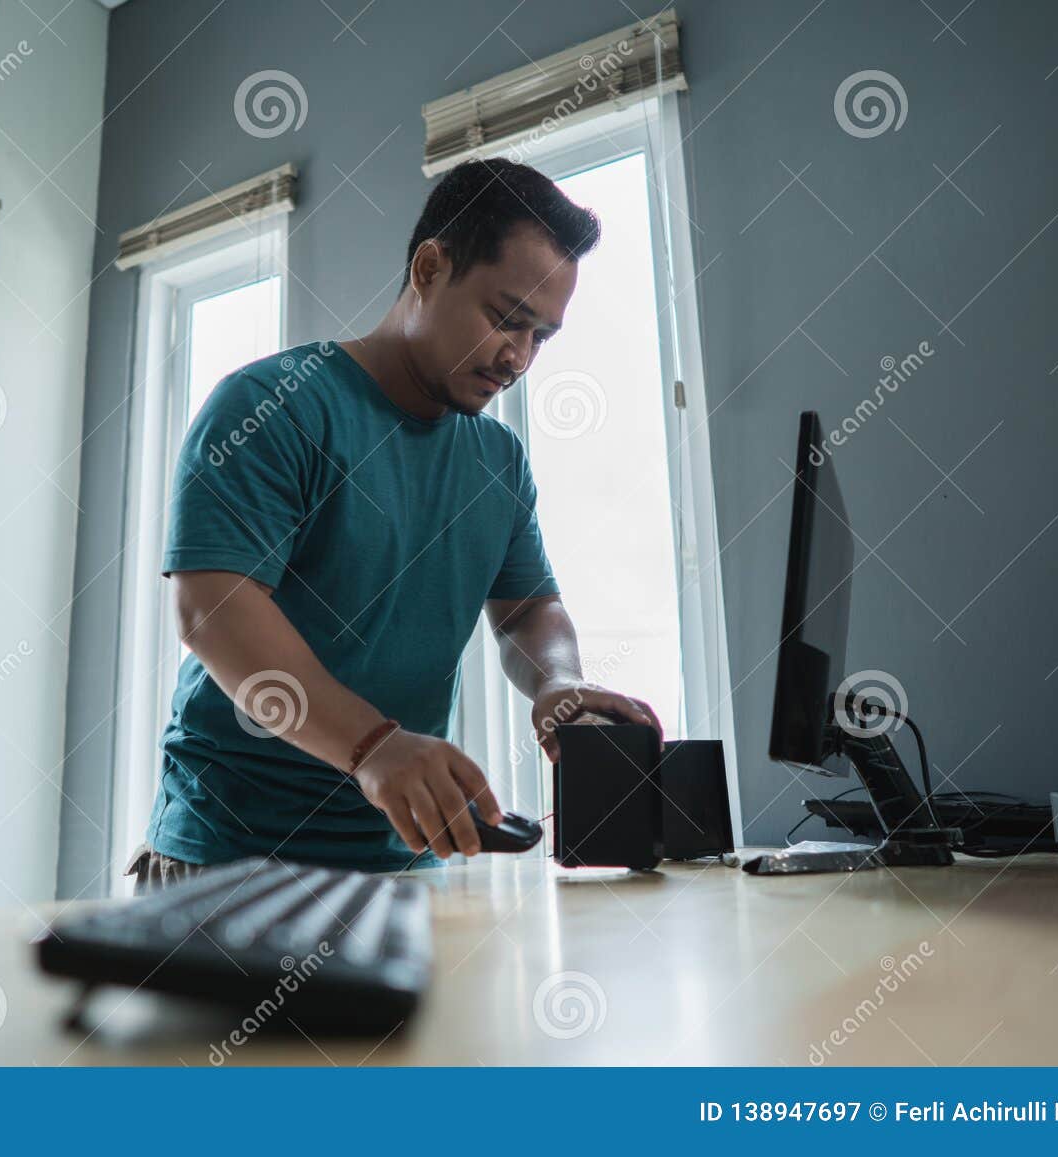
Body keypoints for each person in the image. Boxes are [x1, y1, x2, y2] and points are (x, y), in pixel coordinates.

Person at [125, 158, 661, 892]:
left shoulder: (498, 462)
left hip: (402, 863)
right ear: (431, 266)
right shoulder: (272, 407)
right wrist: (373, 746)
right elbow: (213, 612)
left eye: (542, 336)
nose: (519, 357)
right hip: (228, 858)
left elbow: (529, 610)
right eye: (505, 317)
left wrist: (556, 684)